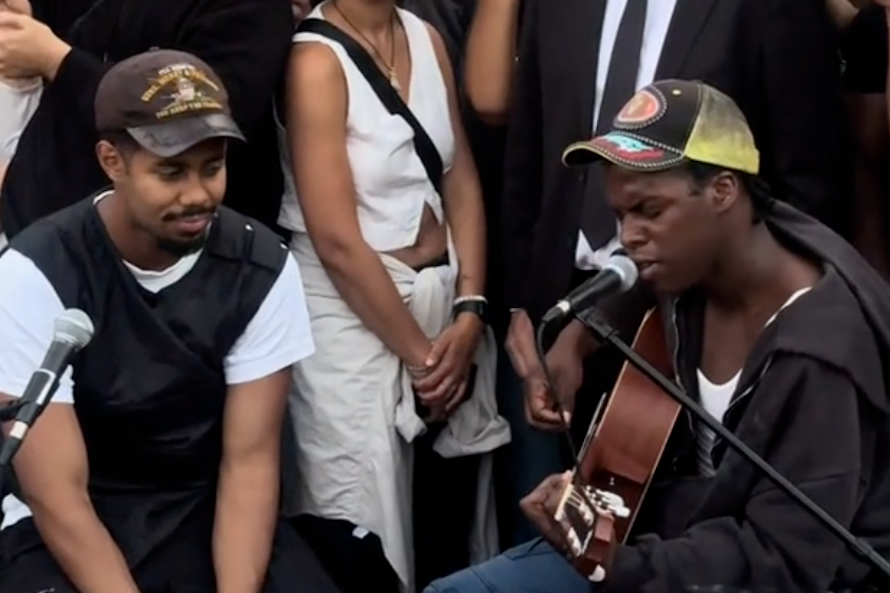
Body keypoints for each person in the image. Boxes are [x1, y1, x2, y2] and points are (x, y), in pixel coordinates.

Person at [424, 79, 890, 593]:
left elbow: (782, 561)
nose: (627, 237)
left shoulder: (821, 358)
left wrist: (616, 561)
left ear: (722, 191)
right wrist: (576, 341)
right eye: (620, 215)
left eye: (649, 211)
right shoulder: (699, 263)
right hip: (673, 542)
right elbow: (634, 288)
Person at [493, 0, 852, 547]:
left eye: (649, 212)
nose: (634, 226)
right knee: (567, 542)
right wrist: (524, 307)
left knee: (673, 528)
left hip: (701, 330)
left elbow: (810, 184)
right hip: (563, 315)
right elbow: (527, 151)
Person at [0, 49, 340, 593]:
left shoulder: (260, 266)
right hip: (75, 520)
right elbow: (58, 497)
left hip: (204, 508)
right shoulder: (34, 271)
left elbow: (249, 465)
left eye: (213, 168)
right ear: (112, 161)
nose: (197, 195)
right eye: (171, 172)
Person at [279, 0, 505, 592]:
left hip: (445, 299)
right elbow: (335, 240)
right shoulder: (315, 60)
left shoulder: (425, 36)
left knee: (444, 511)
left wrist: (471, 307)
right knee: (360, 512)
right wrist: (424, 359)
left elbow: (459, 177)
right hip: (350, 311)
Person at [0, 0, 293, 239]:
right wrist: (22, 35)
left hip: (177, 256)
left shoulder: (253, 10)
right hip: (41, 227)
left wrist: (55, 60)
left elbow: (195, 116)